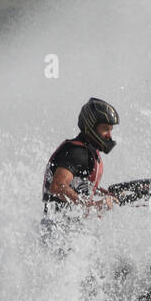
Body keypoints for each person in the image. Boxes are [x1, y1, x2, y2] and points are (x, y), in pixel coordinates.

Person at [41, 98, 120, 250]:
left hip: (69, 230)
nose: (109, 135)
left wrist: (103, 193)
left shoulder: (87, 151)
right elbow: (57, 186)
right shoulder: (77, 153)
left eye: (111, 129)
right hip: (58, 233)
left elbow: (76, 183)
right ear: (91, 126)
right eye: (105, 129)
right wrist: (93, 205)